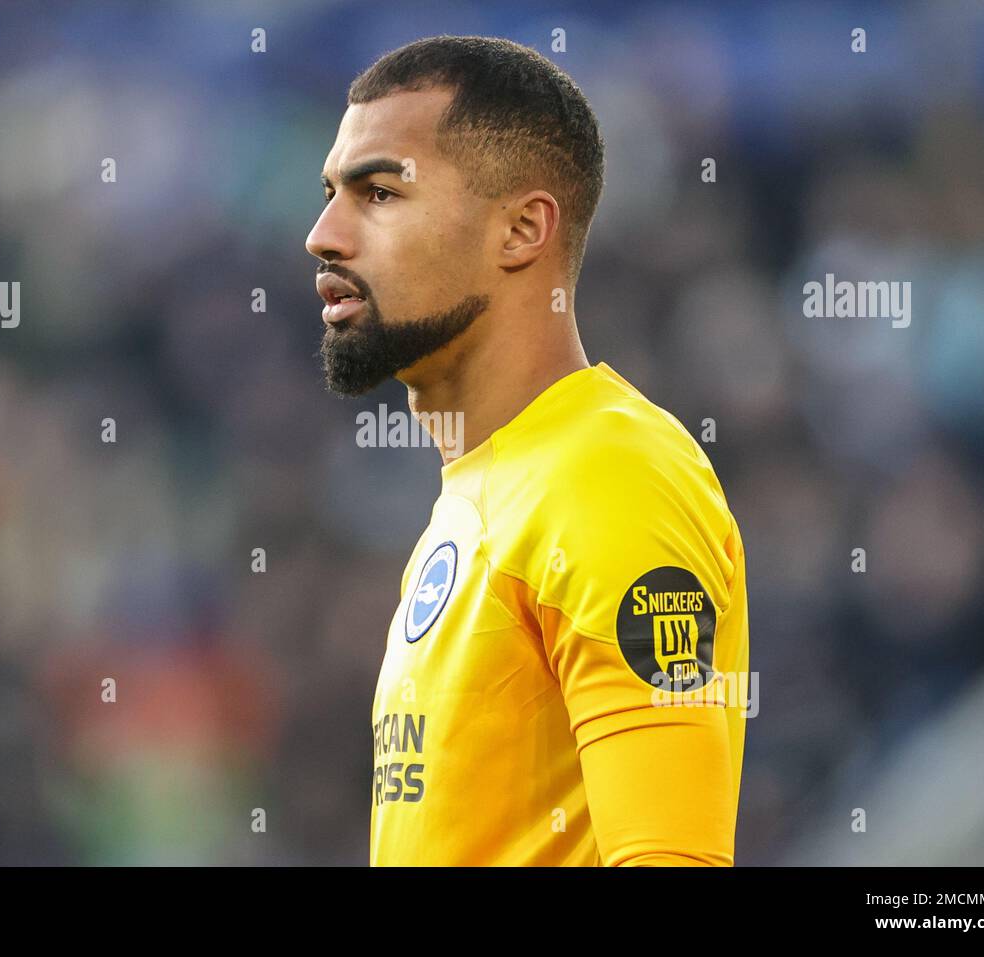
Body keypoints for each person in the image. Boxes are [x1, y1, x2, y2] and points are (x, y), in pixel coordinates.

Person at [305, 35, 749, 866]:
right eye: (330, 195)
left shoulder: (610, 474)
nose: (322, 236)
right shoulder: (480, 499)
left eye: (380, 193)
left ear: (520, 230)